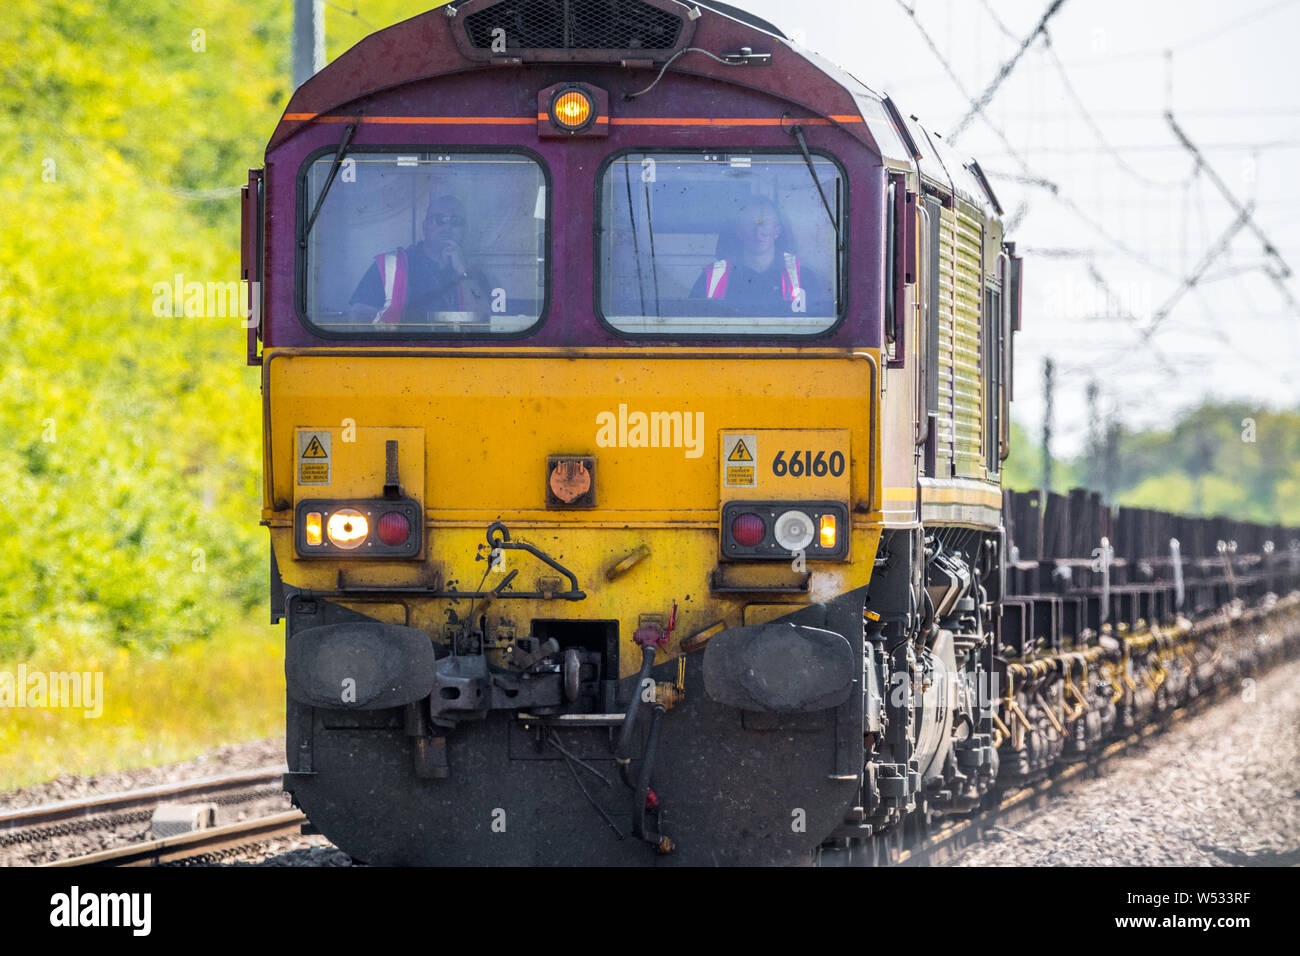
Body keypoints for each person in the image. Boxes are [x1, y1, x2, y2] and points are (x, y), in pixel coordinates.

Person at [348, 195, 492, 326]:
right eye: (439, 220)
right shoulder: (390, 265)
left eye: (456, 221)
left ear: (465, 230)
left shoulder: (474, 275)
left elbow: (486, 321)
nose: (447, 227)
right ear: (425, 227)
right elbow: (358, 320)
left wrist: (462, 272)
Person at [689, 197, 827, 316]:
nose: (758, 231)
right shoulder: (711, 278)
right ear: (739, 232)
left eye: (765, 223)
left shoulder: (804, 278)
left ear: (777, 231)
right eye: (750, 224)